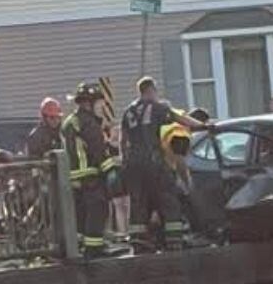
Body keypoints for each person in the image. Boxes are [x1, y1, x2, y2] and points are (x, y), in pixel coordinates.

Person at [120, 76, 206, 251]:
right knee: (168, 198)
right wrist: (204, 126)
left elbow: (123, 140)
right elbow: (181, 119)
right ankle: (174, 240)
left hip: (133, 163)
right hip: (153, 160)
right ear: (151, 90)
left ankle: (139, 242)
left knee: (139, 201)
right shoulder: (158, 107)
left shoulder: (128, 112)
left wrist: (125, 162)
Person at [62, 81, 119, 258]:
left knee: (81, 215)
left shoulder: (70, 121)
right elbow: (97, 150)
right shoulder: (88, 122)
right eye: (99, 103)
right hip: (90, 177)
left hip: (73, 178)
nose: (101, 107)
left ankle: (81, 248)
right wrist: (112, 170)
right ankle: (95, 249)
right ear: (88, 103)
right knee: (98, 211)